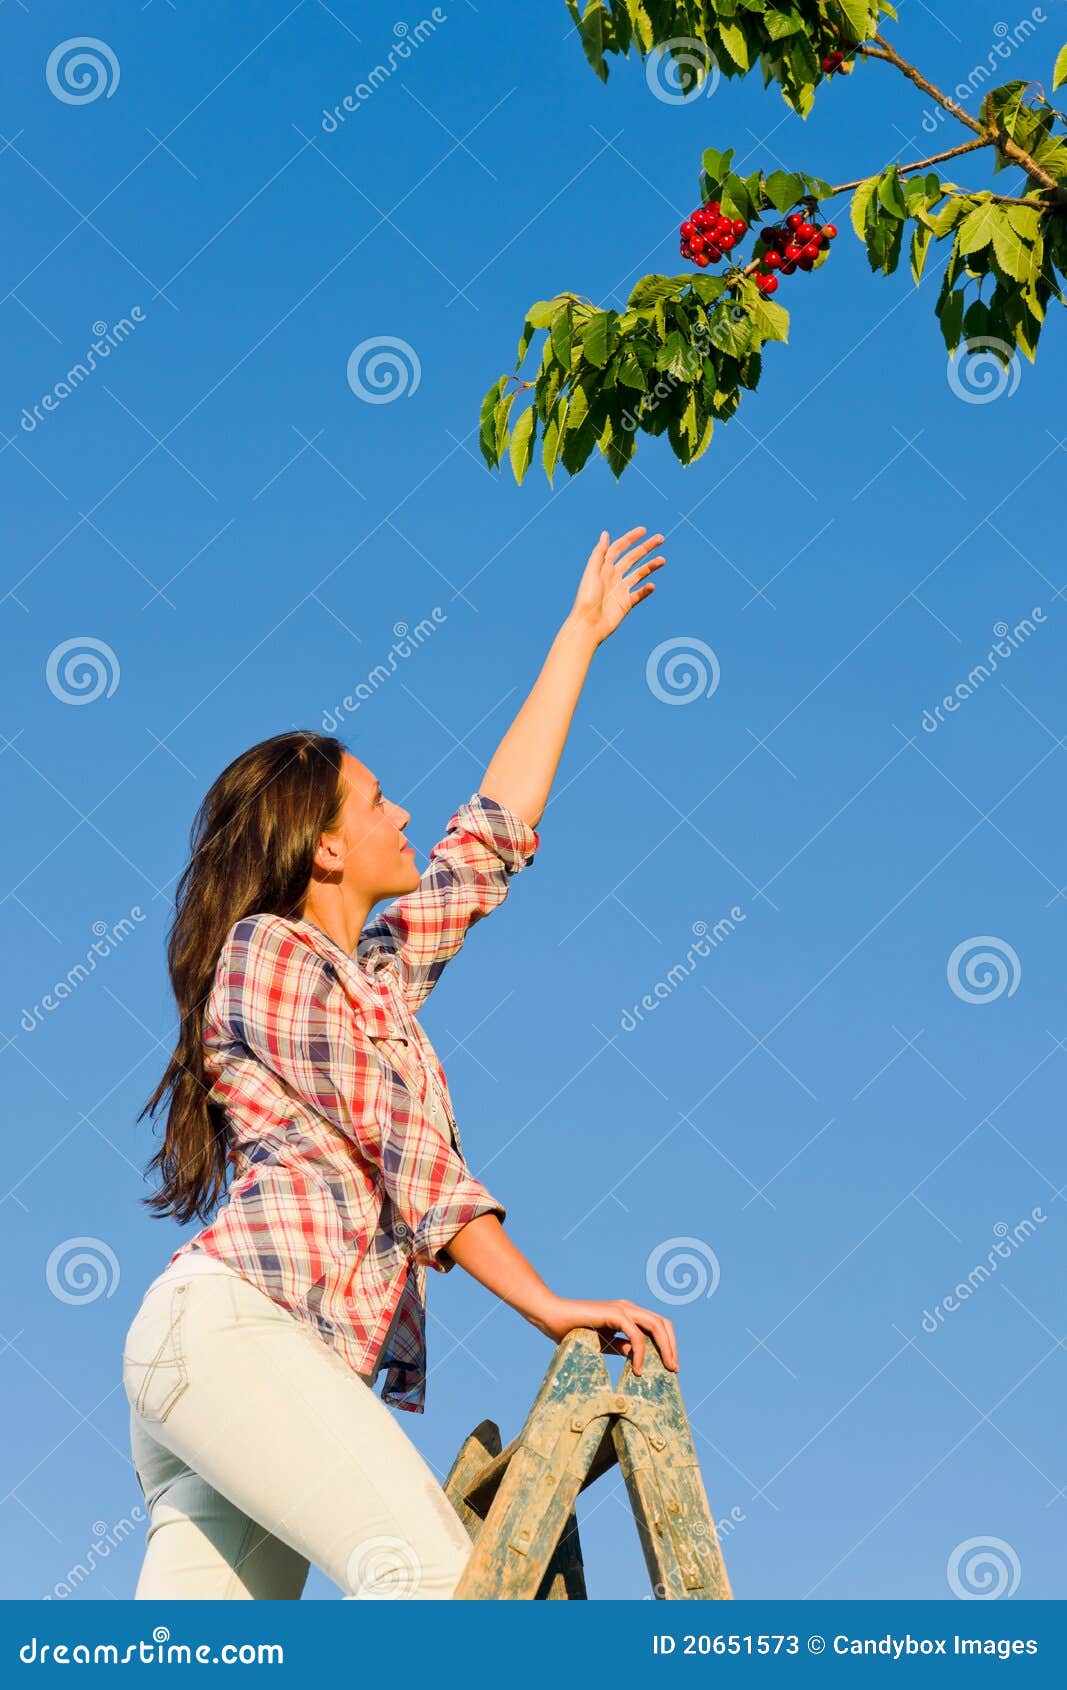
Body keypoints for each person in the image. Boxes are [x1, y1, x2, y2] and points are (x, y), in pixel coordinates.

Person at [123, 525, 679, 1599]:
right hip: (233, 1335)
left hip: (253, 1364)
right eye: (377, 800)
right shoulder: (267, 956)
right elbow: (408, 1154)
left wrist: (579, 636)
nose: (403, 811)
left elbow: (489, 839)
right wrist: (547, 1302)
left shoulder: (367, 972)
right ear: (324, 845)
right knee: (430, 1581)